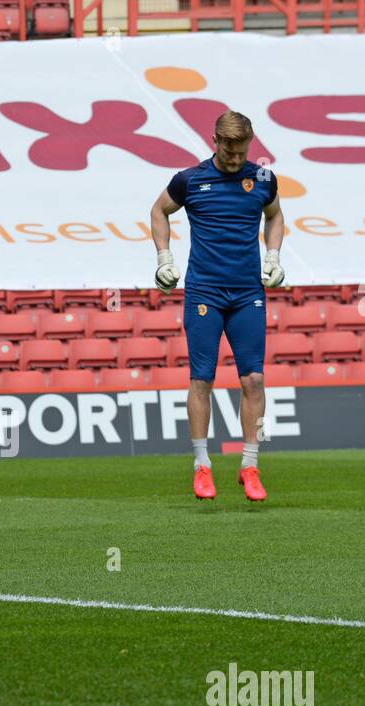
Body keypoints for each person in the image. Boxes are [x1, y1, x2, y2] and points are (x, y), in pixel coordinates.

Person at [149, 110, 286, 502]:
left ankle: (250, 466)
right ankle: (201, 466)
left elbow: (275, 217)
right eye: (228, 149)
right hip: (205, 292)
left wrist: (273, 256)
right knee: (202, 379)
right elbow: (158, 211)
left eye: (241, 150)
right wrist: (164, 258)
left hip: (247, 293)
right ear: (215, 140)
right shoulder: (190, 180)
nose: (234, 157)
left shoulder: (262, 178)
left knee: (253, 380)